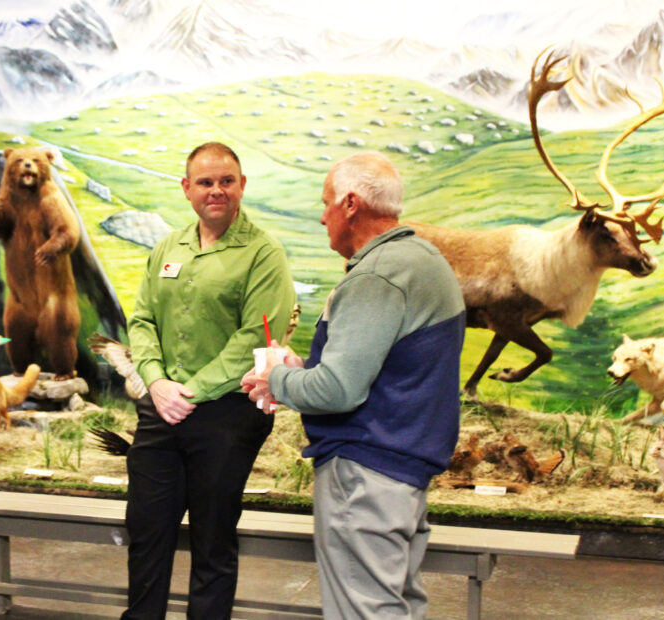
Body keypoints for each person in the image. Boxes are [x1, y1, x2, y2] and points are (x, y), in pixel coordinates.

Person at [241, 151, 466, 619]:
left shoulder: (378, 275)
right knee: (396, 606)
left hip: (366, 475)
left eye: (325, 203)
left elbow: (338, 391)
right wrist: (302, 369)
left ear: (349, 204)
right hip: (401, 472)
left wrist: (275, 377)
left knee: (363, 611)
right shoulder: (423, 260)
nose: (322, 216)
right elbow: (381, 367)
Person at [123, 141, 296, 619]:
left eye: (226, 181)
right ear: (186, 189)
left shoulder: (264, 253)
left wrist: (190, 393)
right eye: (205, 182)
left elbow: (253, 337)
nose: (216, 191)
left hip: (224, 416)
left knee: (213, 540)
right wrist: (157, 383)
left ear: (242, 186)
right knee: (146, 533)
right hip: (161, 409)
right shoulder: (167, 247)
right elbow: (141, 321)